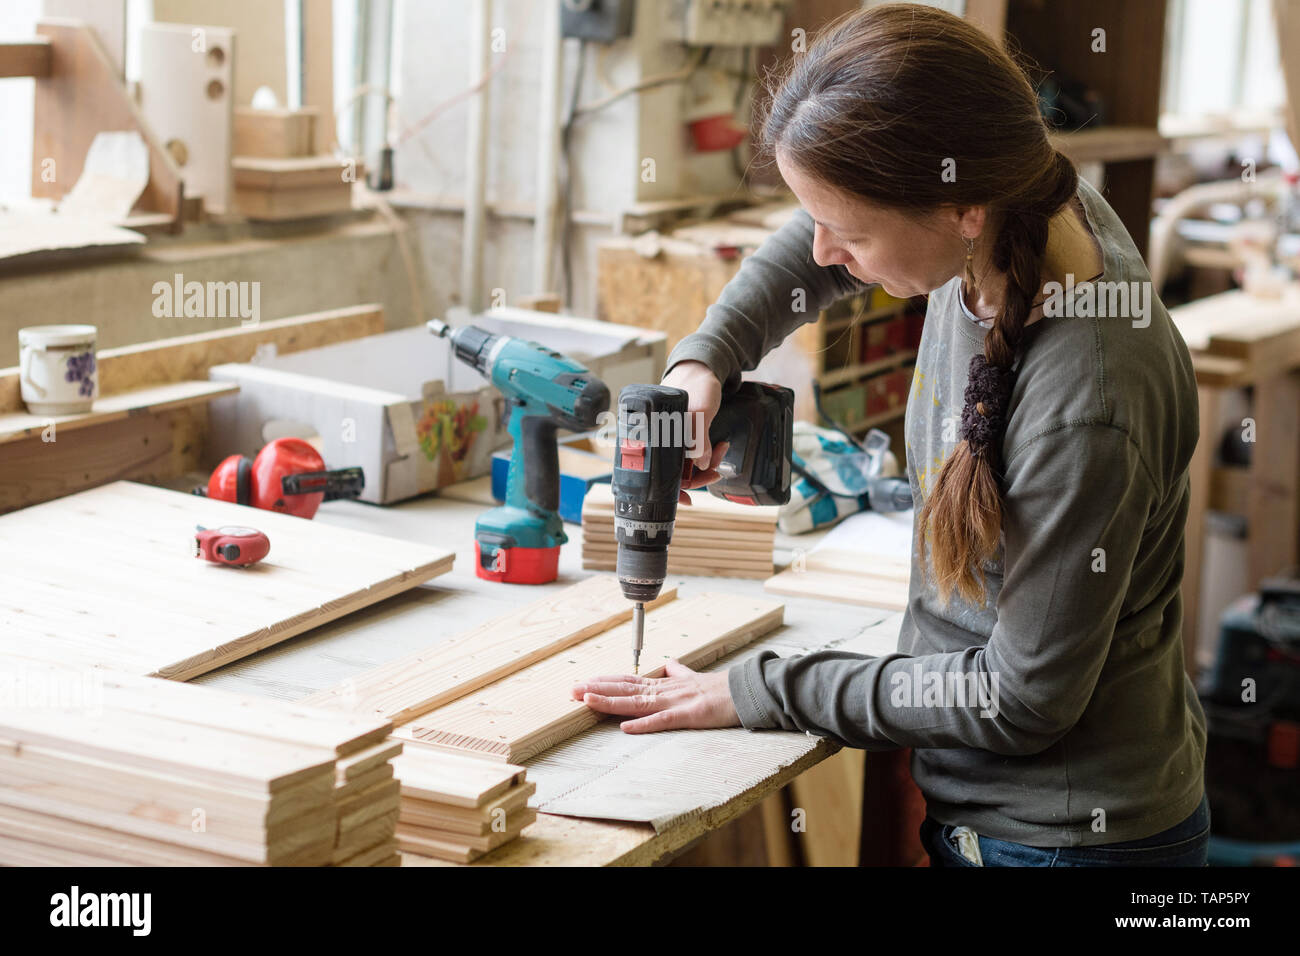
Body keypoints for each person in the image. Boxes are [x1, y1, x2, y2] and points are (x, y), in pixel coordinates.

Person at [572, 3, 1209, 866]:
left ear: (961, 207)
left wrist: (758, 690)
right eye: (820, 218)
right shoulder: (1020, 203)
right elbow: (817, 237)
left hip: (1064, 841)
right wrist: (706, 360)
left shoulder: (1088, 401)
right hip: (988, 810)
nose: (823, 251)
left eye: (851, 234)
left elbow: (1019, 700)